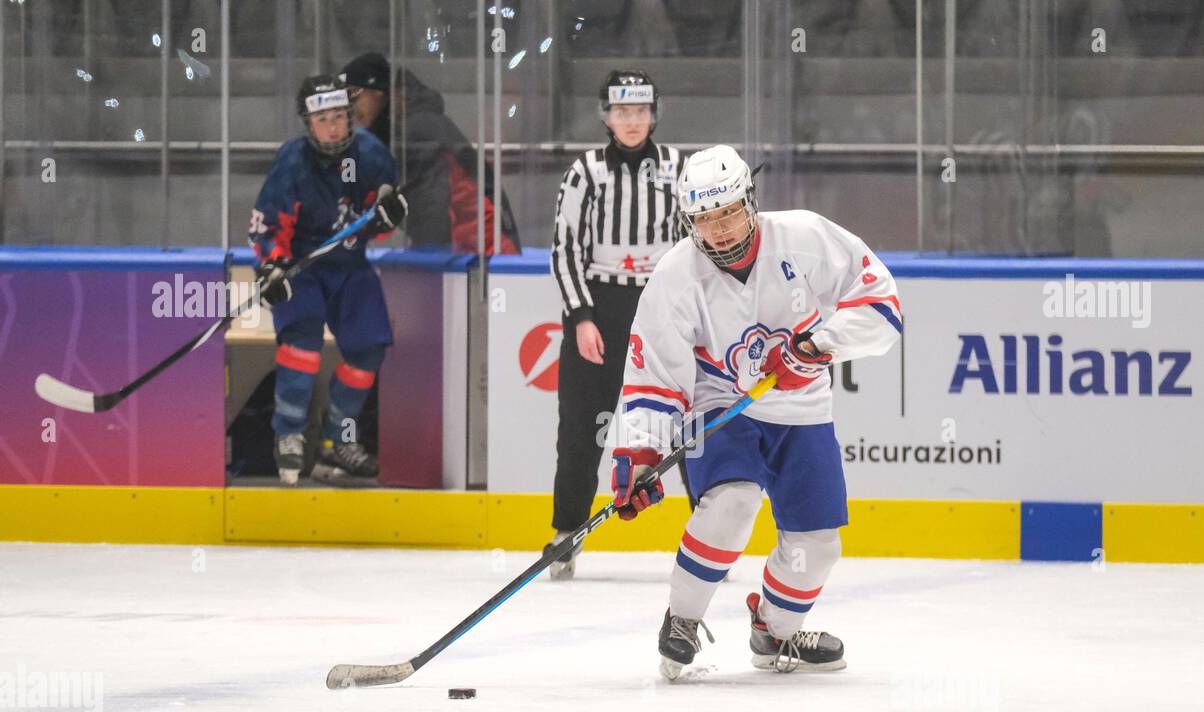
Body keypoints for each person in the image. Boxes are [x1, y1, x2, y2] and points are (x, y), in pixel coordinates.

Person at [610, 145, 903, 679]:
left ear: (751, 199)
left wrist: (816, 346)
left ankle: (773, 630)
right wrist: (641, 450)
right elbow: (653, 369)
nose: (719, 230)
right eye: (704, 218)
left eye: (728, 212)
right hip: (720, 402)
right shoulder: (677, 276)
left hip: (803, 404)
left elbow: (881, 303)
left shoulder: (805, 237)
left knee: (818, 546)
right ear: (688, 220)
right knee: (733, 501)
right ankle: (682, 618)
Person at [547, 69, 683, 579]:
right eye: (622, 111)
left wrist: (683, 313)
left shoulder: (675, 168)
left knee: (690, 423)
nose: (632, 121)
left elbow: (693, 245)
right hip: (600, 309)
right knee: (582, 426)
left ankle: (711, 533)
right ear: (606, 115)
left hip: (661, 307)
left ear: (654, 114)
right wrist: (581, 317)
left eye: (641, 111)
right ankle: (567, 533)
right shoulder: (586, 172)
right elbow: (565, 250)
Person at [249, 73, 408, 486]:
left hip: (348, 266)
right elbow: (267, 226)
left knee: (369, 347)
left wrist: (387, 218)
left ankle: (341, 437)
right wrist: (272, 266)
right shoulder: (292, 161)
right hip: (300, 268)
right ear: (308, 123)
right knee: (301, 343)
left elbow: (379, 219)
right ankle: (288, 433)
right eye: (324, 120)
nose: (334, 126)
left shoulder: (371, 155)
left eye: (340, 116)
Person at [339, 51, 520, 254]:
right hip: (470, 251)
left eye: (353, 94)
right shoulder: (400, 132)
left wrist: (426, 265)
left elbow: (432, 211)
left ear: (379, 90)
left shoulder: (417, 129)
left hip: (483, 254)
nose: (350, 108)